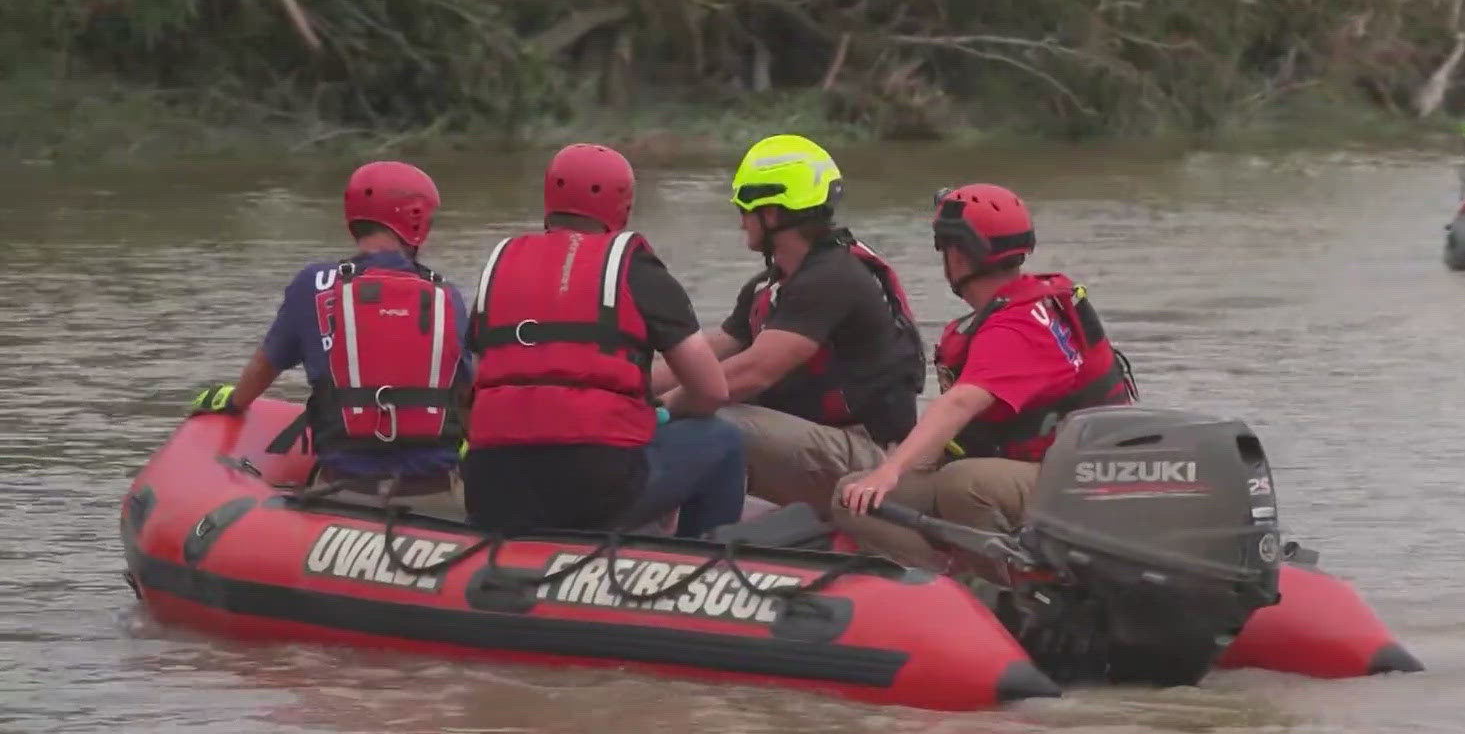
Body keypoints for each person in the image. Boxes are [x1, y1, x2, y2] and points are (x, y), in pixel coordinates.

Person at [832, 184, 1136, 575]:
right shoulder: (1020, 308)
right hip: (1038, 468)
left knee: (967, 482)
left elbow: (960, 403)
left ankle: (995, 593)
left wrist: (890, 471)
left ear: (957, 255)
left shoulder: (1017, 328)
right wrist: (892, 471)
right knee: (852, 497)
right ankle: (940, 582)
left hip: (1081, 483)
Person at [461, 143, 745, 538]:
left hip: (493, 488)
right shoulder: (635, 268)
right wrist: (662, 411)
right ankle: (702, 572)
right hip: (597, 488)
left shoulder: (500, 265)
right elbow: (712, 390)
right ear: (623, 208)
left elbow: (475, 383)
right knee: (724, 439)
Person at [650, 134, 926, 518]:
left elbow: (753, 372)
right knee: (700, 412)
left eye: (746, 209)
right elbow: (709, 351)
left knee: (715, 420)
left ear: (774, 214)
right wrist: (625, 385)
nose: (740, 220)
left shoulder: (833, 278)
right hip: (814, 440)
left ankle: (685, 541)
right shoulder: (773, 284)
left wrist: (660, 409)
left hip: (868, 455)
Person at [188, 161, 468, 514]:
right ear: (416, 218)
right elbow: (466, 397)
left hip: (342, 494)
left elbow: (265, 364)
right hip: (433, 496)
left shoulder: (312, 284)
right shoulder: (446, 297)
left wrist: (234, 401)